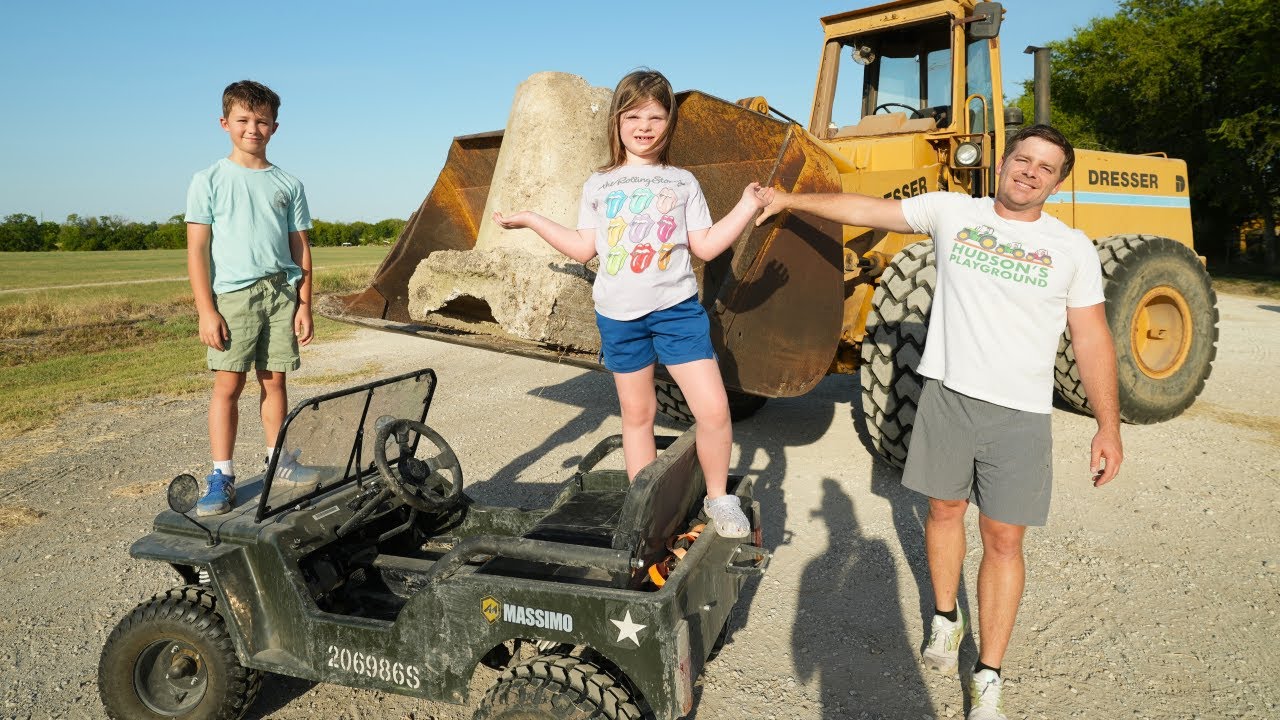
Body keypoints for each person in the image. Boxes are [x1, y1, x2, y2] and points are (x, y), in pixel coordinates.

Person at [755, 124, 1123, 720]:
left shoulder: (1071, 249)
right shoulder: (953, 211)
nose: (1029, 171)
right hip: (948, 399)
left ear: (1057, 181)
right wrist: (787, 200)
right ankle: (946, 619)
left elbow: (1091, 335)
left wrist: (1108, 424)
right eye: (1022, 159)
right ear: (1004, 161)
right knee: (942, 512)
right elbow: (865, 208)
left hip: (1020, 417)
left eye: (1045, 167)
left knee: (1004, 540)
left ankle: (989, 674)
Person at [494, 69, 768, 539]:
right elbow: (585, 248)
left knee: (715, 409)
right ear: (617, 122)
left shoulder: (683, 182)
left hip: (677, 312)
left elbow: (704, 247)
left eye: (656, 116)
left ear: (670, 124)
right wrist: (531, 219)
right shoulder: (598, 185)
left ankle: (719, 499)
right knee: (638, 416)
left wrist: (745, 206)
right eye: (633, 114)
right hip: (619, 317)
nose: (644, 125)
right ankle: (647, 506)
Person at [185, 80, 319, 517]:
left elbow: (300, 248)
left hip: (280, 294)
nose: (252, 129)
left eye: (261, 121)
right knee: (228, 385)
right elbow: (197, 251)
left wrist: (304, 303)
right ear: (225, 123)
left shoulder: (288, 183)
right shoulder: (208, 180)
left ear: (275, 127)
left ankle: (279, 461)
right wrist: (207, 310)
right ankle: (221, 476)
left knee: (274, 381)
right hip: (234, 298)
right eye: (243, 120)